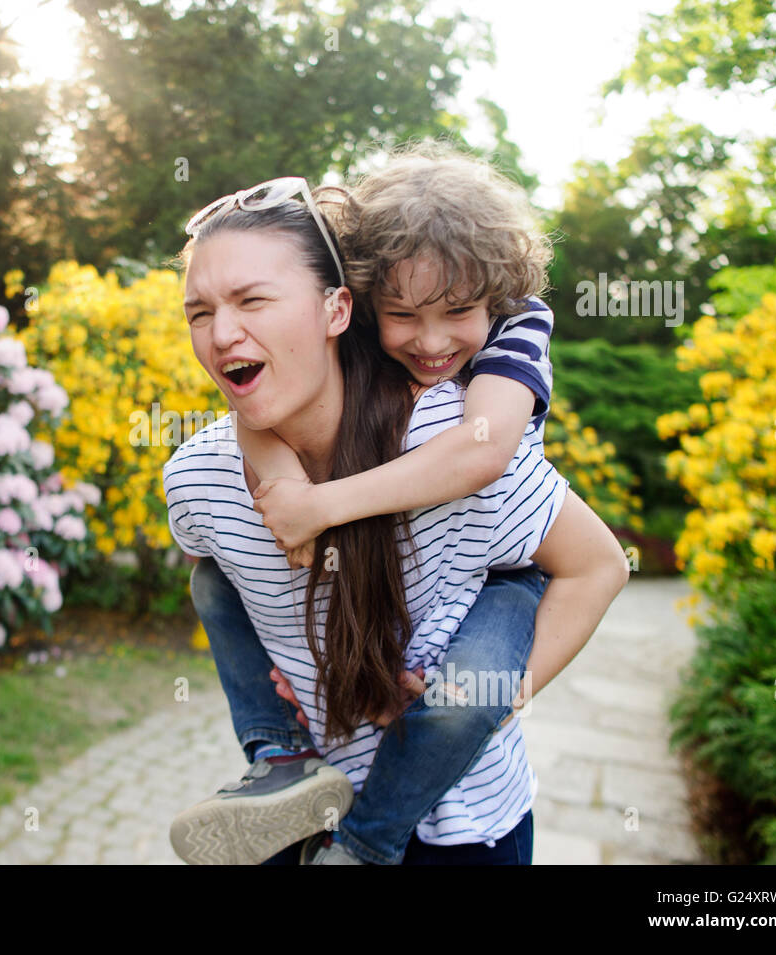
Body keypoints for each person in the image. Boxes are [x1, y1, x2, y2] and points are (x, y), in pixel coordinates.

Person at [162, 168, 629, 865]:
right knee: (212, 583)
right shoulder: (199, 476)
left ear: (335, 308)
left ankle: (364, 841)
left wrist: (493, 702)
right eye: (200, 312)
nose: (224, 332)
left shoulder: (459, 419)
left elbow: (579, 547)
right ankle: (278, 759)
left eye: (253, 299)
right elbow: (220, 572)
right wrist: (293, 659)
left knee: (468, 690)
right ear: (367, 304)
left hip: (467, 825)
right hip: (304, 820)